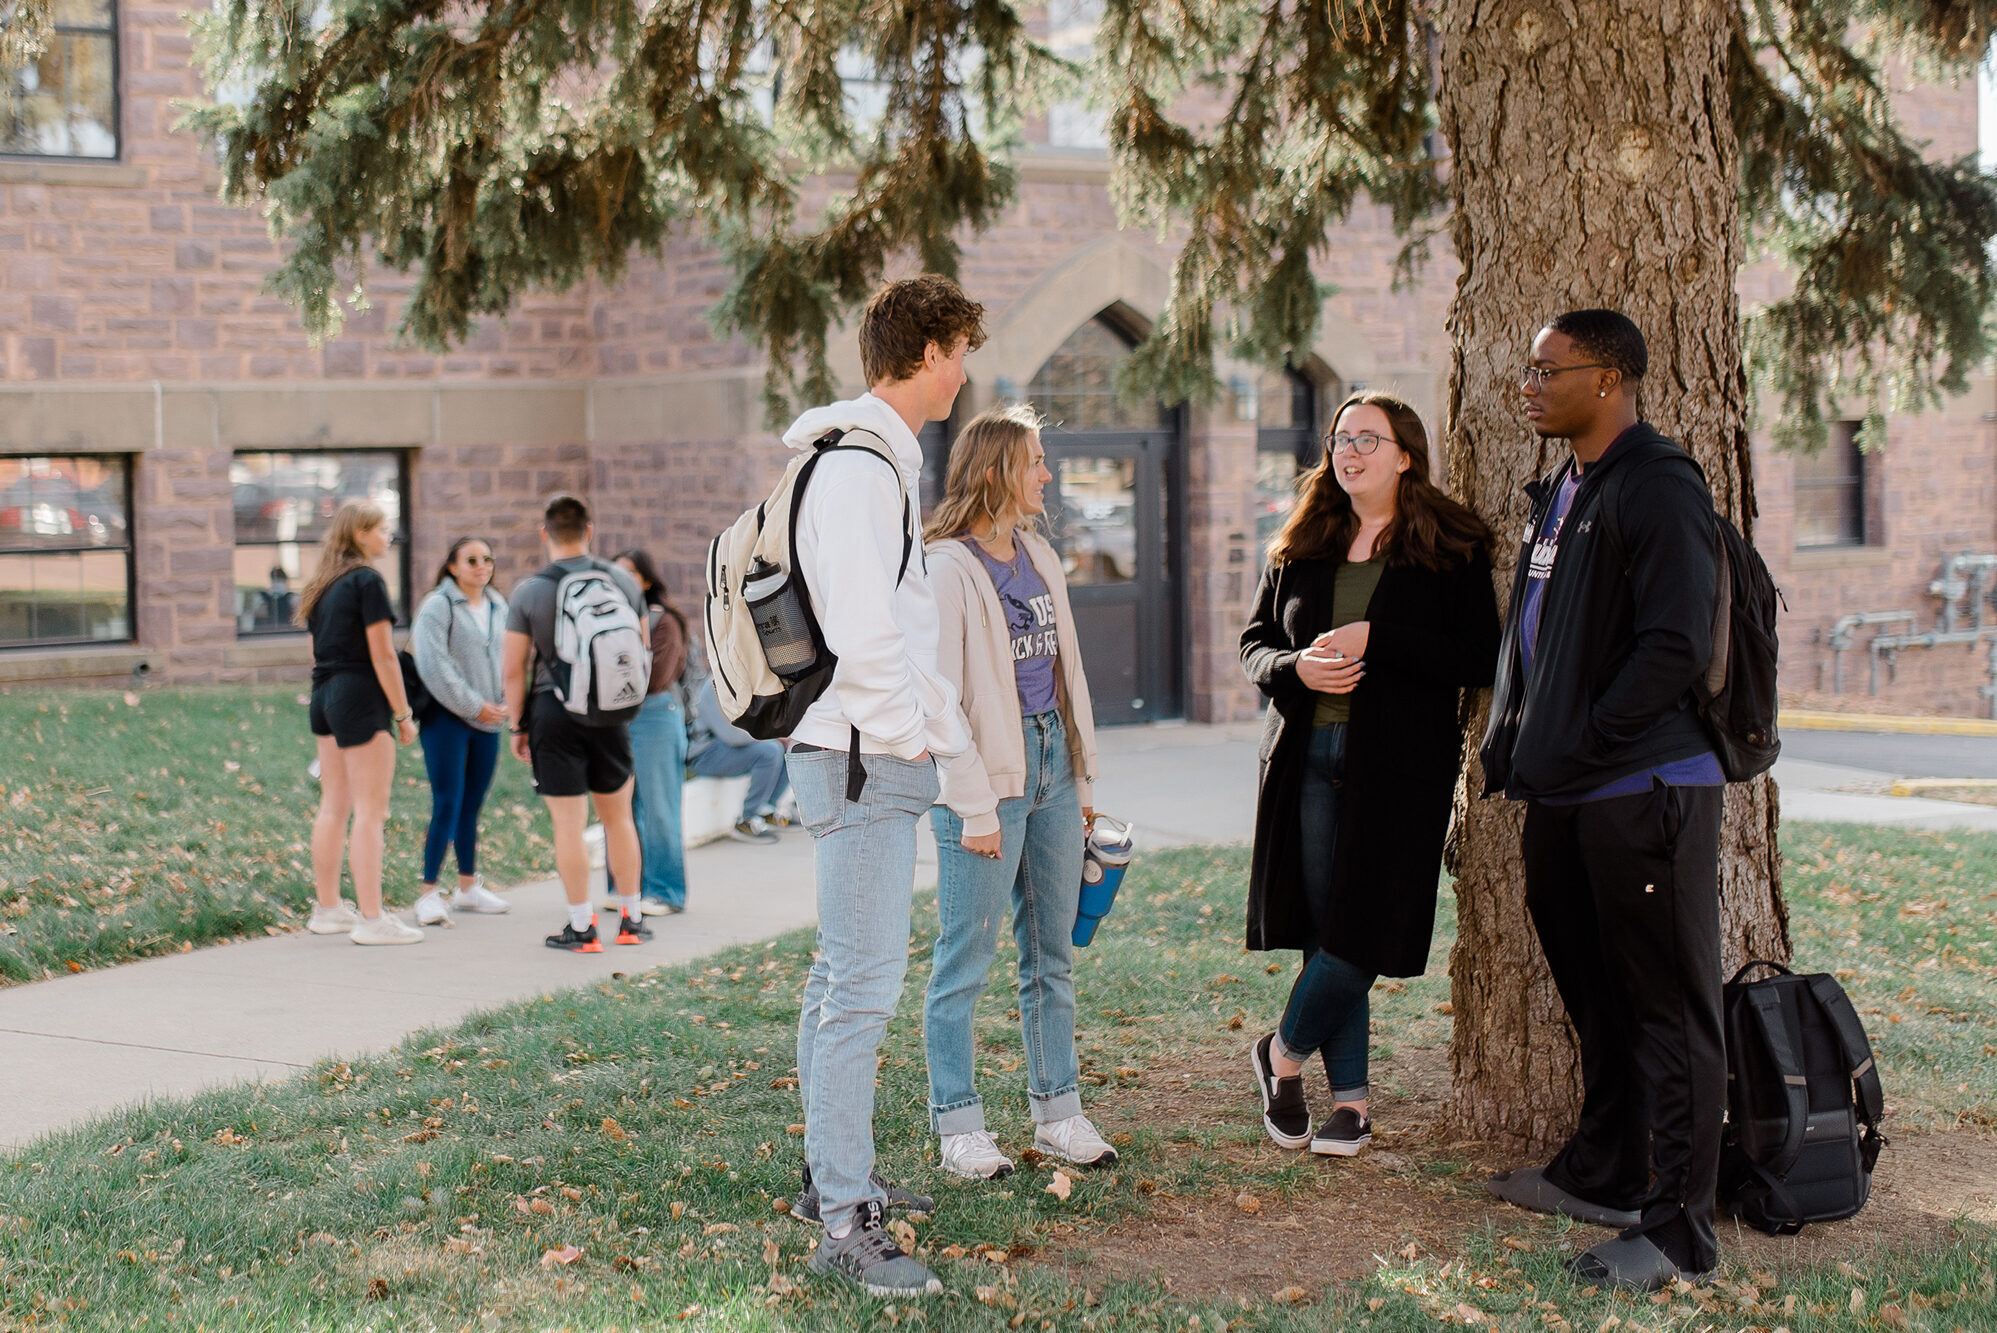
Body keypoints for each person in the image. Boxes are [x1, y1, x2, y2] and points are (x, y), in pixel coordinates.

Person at [1479, 310, 1727, 1291]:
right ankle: (1609, 1169)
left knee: (1666, 1007)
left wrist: (1579, 738)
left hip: (1642, 788)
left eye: (1549, 370)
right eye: (1527, 368)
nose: (1530, 386)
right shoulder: (1568, 486)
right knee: (1596, 988)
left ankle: (1677, 1230)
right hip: (1567, 791)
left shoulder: (1658, 483)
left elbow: (1671, 645)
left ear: (1610, 378)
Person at [783, 274, 985, 1299]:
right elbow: (867, 633)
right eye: (959, 349)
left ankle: (829, 1177)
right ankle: (844, 1218)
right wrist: (914, 738)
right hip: (863, 756)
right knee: (860, 991)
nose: (964, 370)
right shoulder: (861, 470)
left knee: (838, 985)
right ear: (929, 349)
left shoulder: (858, 459)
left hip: (857, 751)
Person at [1240, 391, 1498, 1156]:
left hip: (1400, 768)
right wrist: (1297, 667)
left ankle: (1280, 1055)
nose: (1349, 451)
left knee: (1363, 930)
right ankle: (1348, 1103)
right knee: (1328, 929)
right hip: (1304, 760)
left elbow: (1476, 657)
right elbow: (1255, 646)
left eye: (1368, 439)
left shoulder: (1449, 546)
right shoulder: (1302, 542)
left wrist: (1374, 638)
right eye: (1340, 437)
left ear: (1405, 454)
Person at [922, 403, 1114, 1180]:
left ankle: (1058, 1110)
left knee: (1052, 953)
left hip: (1052, 765)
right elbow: (939, 699)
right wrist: (972, 803)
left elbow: (1066, 675)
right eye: (1035, 460)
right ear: (998, 468)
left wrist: (1083, 776)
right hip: (986, 779)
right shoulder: (946, 566)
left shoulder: (1037, 553)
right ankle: (957, 1123)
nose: (1045, 474)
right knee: (963, 957)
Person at [502, 494, 652, 953]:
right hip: (611, 712)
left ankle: (582, 928)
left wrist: (517, 725)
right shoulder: (623, 581)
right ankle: (631, 919)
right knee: (619, 818)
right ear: (590, 530)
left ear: (544, 533)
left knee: (568, 825)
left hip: (554, 710)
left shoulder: (530, 591)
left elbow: (513, 669)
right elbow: (639, 650)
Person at [298, 500, 424, 945]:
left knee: (334, 805)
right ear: (359, 535)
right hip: (359, 697)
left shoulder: (322, 586)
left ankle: (328, 910)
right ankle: (372, 920)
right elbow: (384, 654)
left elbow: (318, 654)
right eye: (381, 528)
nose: (388, 535)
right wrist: (404, 714)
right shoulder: (367, 581)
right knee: (372, 811)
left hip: (324, 696)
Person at [410, 536, 514, 925]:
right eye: (471, 560)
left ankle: (468, 887)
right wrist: (475, 706)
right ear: (452, 567)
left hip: (490, 720)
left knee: (473, 804)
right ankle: (428, 893)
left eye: (487, 558)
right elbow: (434, 665)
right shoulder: (437, 606)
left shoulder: (499, 605)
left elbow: (510, 657)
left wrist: (501, 704)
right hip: (446, 720)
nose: (482, 566)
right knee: (447, 802)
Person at [611, 547, 691, 914]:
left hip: (656, 715)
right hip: (617, 718)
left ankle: (665, 892)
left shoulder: (665, 621)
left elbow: (657, 677)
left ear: (645, 580)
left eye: (628, 573)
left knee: (659, 806)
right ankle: (625, 887)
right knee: (620, 806)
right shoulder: (607, 620)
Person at [685, 676, 790, 843]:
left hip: (728, 748)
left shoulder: (745, 680)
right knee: (769, 751)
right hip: (705, 754)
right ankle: (746, 820)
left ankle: (767, 810)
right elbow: (732, 736)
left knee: (787, 748)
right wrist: (773, 737)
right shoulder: (714, 685)